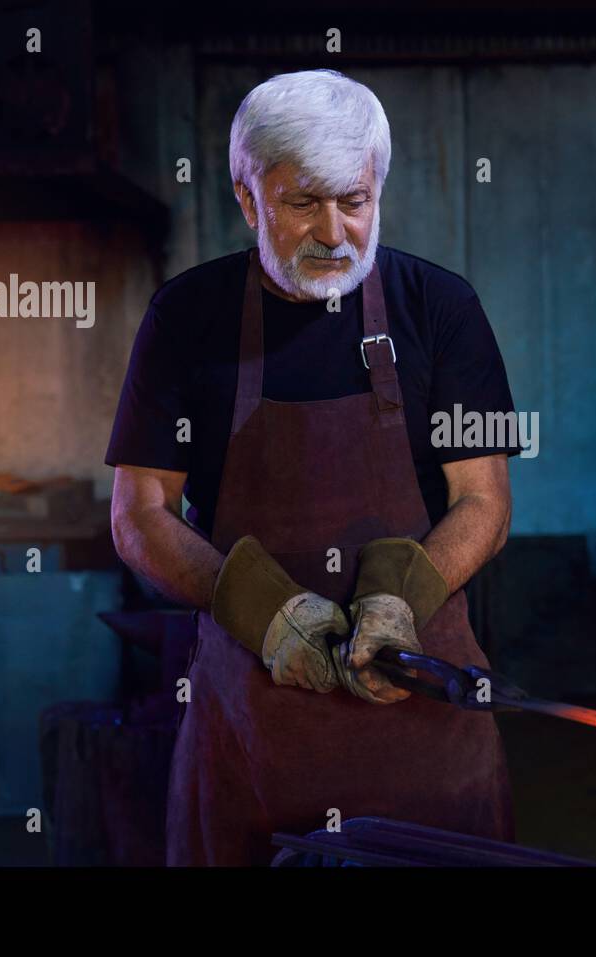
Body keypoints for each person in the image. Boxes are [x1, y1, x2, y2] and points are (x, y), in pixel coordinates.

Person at [106, 68, 519, 865]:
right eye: (303, 204)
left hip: (422, 708)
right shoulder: (187, 317)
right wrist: (261, 608)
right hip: (254, 733)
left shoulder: (441, 307)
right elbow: (139, 515)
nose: (334, 232)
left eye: (354, 201)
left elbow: (486, 501)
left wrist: (400, 599)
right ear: (247, 195)